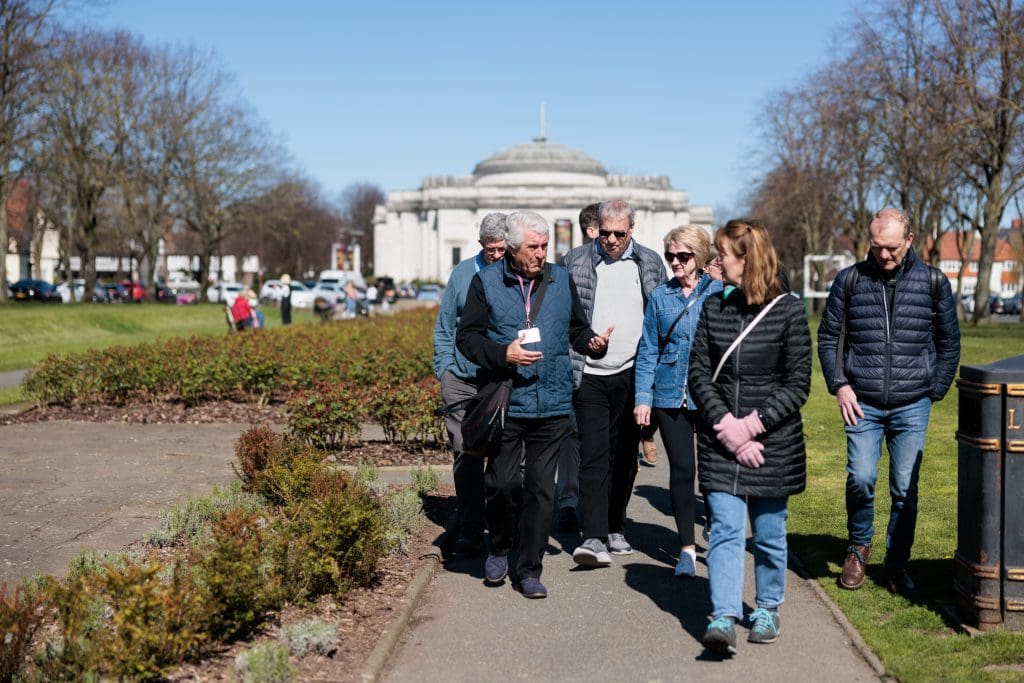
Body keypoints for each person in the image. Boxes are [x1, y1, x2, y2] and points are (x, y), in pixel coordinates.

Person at [457, 210, 611, 599]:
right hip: (507, 400)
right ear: (511, 248)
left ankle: (529, 570)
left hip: (553, 402)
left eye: (545, 246)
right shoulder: (485, 282)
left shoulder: (559, 279)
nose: (541, 254)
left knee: (542, 491)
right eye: (533, 247)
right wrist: (502, 354)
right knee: (502, 484)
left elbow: (576, 329)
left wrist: (592, 343)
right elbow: (467, 338)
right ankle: (500, 547)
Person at [817, 208, 960, 596]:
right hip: (861, 401)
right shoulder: (849, 280)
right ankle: (858, 548)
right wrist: (839, 385)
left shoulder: (934, 282)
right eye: (877, 246)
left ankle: (897, 564)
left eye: (892, 247)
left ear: (910, 240)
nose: (883, 254)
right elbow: (828, 337)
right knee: (861, 478)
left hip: (913, 403)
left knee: (904, 488)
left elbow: (949, 343)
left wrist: (934, 389)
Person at [688, 219, 811, 656]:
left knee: (769, 532)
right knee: (724, 528)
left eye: (723, 254)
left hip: (772, 442)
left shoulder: (788, 310)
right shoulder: (713, 307)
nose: (716, 261)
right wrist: (728, 426)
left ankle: (768, 608)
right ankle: (723, 616)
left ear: (747, 259)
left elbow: (798, 383)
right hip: (721, 440)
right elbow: (699, 372)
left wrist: (752, 426)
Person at [561, 199, 666, 566]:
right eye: (605, 233)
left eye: (619, 234)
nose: (610, 240)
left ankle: (615, 526)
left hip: (634, 372)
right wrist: (587, 339)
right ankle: (593, 536)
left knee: (624, 456)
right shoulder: (575, 261)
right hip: (588, 373)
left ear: (631, 230)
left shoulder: (649, 261)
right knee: (593, 454)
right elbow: (566, 317)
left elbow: (661, 314)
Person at [633, 226, 722, 577]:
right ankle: (686, 549)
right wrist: (643, 397)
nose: (675, 262)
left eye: (682, 256)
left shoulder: (719, 293)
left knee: (713, 473)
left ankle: (714, 528)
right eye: (670, 256)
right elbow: (648, 350)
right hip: (669, 395)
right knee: (683, 471)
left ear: (698, 256)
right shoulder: (660, 296)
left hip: (711, 395)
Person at [433, 212, 508, 554]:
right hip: (461, 379)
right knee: (466, 454)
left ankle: (504, 525)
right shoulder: (463, 273)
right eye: (491, 249)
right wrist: (445, 370)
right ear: (481, 245)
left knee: (505, 454)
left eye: (502, 249)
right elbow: (445, 325)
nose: (497, 255)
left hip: (500, 378)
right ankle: (471, 528)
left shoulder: (516, 273)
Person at [554, 202, 601, 533]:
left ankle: (592, 503)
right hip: (576, 360)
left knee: (596, 437)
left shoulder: (635, 264)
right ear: (592, 231)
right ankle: (570, 501)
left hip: (611, 363)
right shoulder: (570, 263)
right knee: (572, 434)